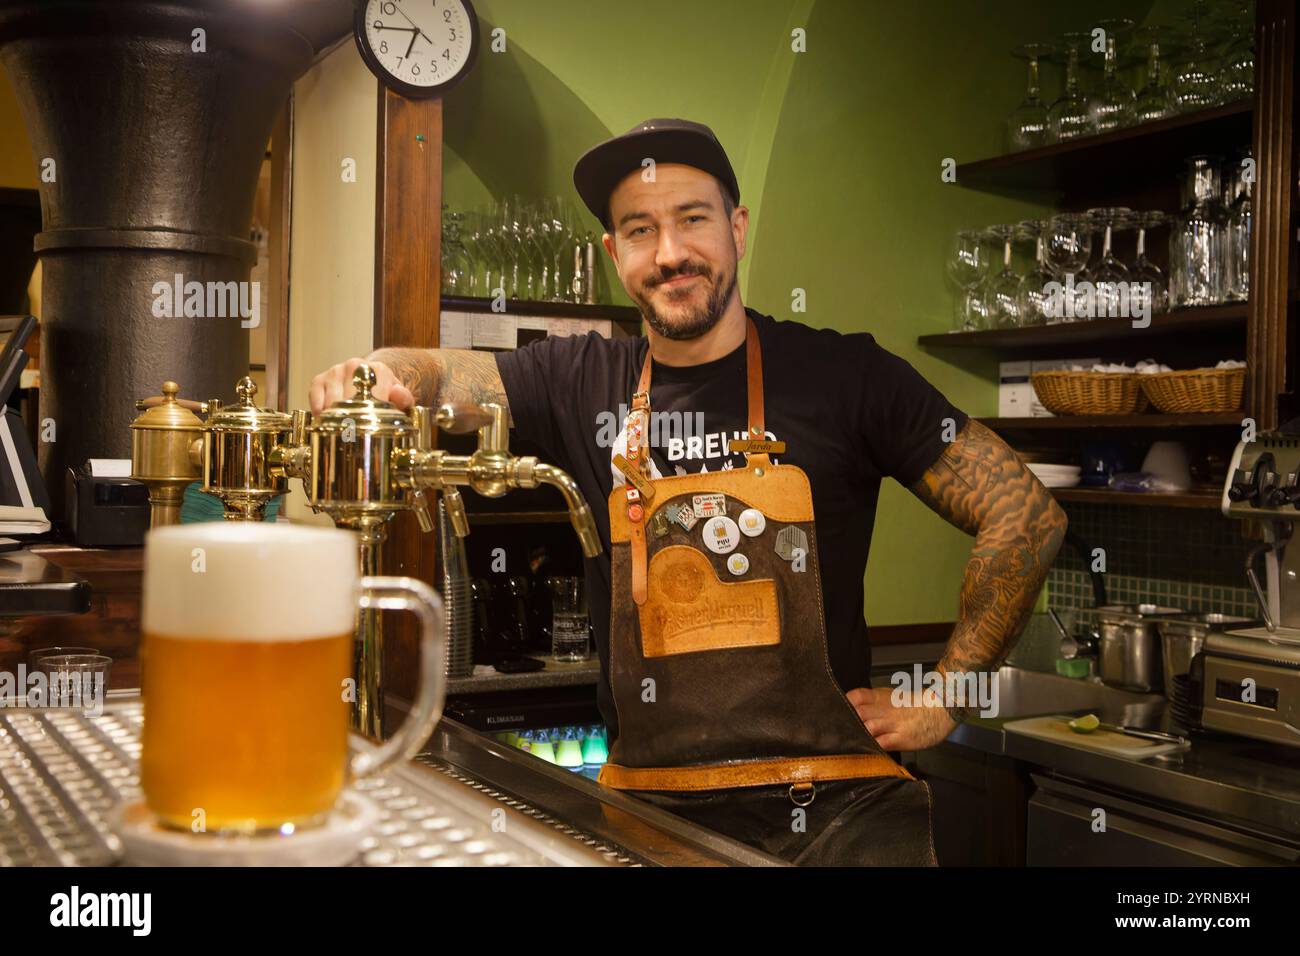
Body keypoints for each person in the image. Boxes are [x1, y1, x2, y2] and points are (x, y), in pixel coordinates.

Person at [311, 118, 1067, 865]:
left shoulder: (847, 377)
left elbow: (1024, 512)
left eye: (693, 220)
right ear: (615, 254)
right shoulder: (576, 379)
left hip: (840, 815)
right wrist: (378, 375)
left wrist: (947, 692)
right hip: (650, 816)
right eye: (640, 231)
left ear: (738, 227)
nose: (670, 254)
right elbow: (442, 373)